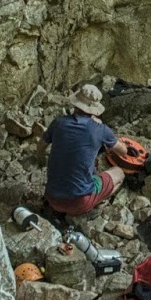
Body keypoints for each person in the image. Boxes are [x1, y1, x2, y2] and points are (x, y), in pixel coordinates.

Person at [43, 84, 125, 218]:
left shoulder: (58, 123)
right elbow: (123, 151)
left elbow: (40, 148)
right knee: (119, 173)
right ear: (94, 109)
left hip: (52, 198)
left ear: (76, 104)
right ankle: (97, 203)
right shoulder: (100, 129)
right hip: (80, 203)